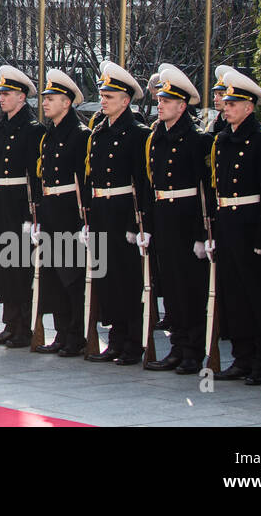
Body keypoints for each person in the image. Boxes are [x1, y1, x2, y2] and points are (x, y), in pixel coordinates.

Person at [210, 68, 261, 386]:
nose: (226, 107)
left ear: (249, 107)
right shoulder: (222, 140)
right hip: (227, 224)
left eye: (233, 103)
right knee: (233, 295)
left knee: (255, 295)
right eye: (226, 102)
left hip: (251, 226)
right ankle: (241, 356)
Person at [144, 65, 213, 373]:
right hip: (164, 219)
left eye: (166, 100)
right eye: (159, 99)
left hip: (187, 221)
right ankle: (176, 345)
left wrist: (202, 233)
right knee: (169, 287)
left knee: (190, 288)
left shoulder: (197, 140)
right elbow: (150, 185)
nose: (159, 104)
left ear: (182, 106)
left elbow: (204, 190)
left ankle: (193, 350)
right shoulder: (157, 137)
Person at [83, 61, 151, 366]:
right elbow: (90, 178)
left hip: (123, 212)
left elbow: (143, 183)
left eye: (110, 96)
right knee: (107, 279)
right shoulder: (98, 132)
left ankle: (132, 344)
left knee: (127, 281)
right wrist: (88, 218)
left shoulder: (137, 134)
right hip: (101, 211)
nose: (104, 99)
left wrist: (136, 224)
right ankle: (115, 340)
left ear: (126, 100)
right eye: (102, 94)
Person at [0, 65, 44, 346]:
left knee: (19, 266)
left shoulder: (33, 130)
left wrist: (33, 214)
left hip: (20, 203)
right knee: (3, 267)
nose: (1, 98)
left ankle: (23, 325)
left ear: (22, 97)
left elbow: (36, 175)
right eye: (0, 94)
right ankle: (9, 323)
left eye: (7, 94)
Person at [34, 69, 90, 356]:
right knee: (54, 277)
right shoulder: (50, 134)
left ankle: (75, 335)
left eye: (51, 99)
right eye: (45, 99)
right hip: (51, 211)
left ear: (67, 102)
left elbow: (85, 180)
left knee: (72, 278)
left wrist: (84, 220)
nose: (45, 103)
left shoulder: (80, 135)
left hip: (69, 212)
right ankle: (60, 332)